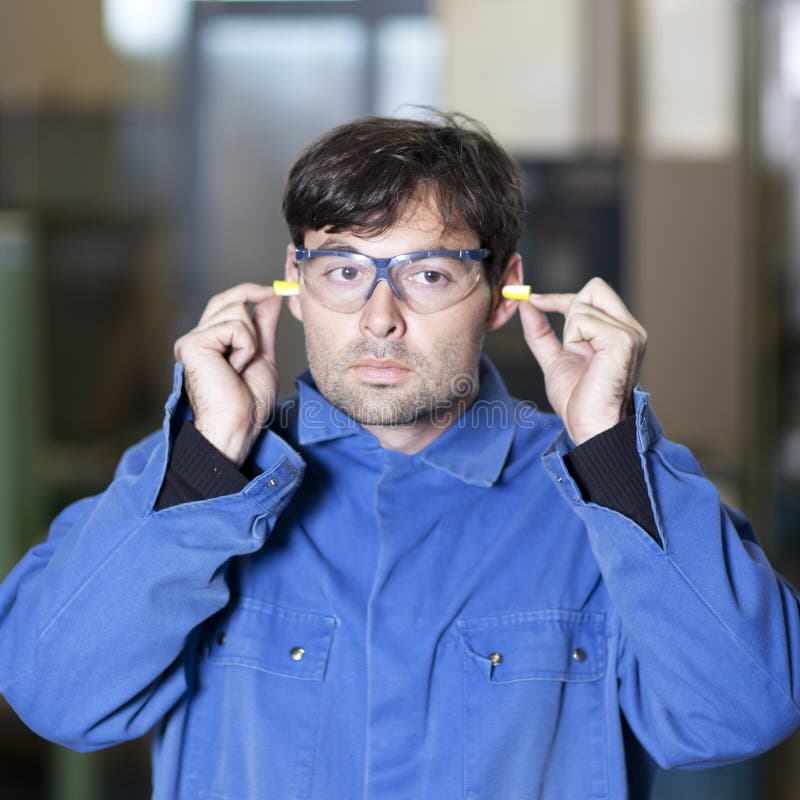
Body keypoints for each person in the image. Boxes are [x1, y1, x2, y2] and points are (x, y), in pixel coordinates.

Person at [1, 112, 799, 800]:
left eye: (429, 272)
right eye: (345, 270)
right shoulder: (197, 478)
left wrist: (614, 450)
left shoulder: (604, 490)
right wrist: (207, 462)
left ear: (503, 290)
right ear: (295, 280)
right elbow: (59, 697)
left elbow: (742, 711)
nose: (380, 317)